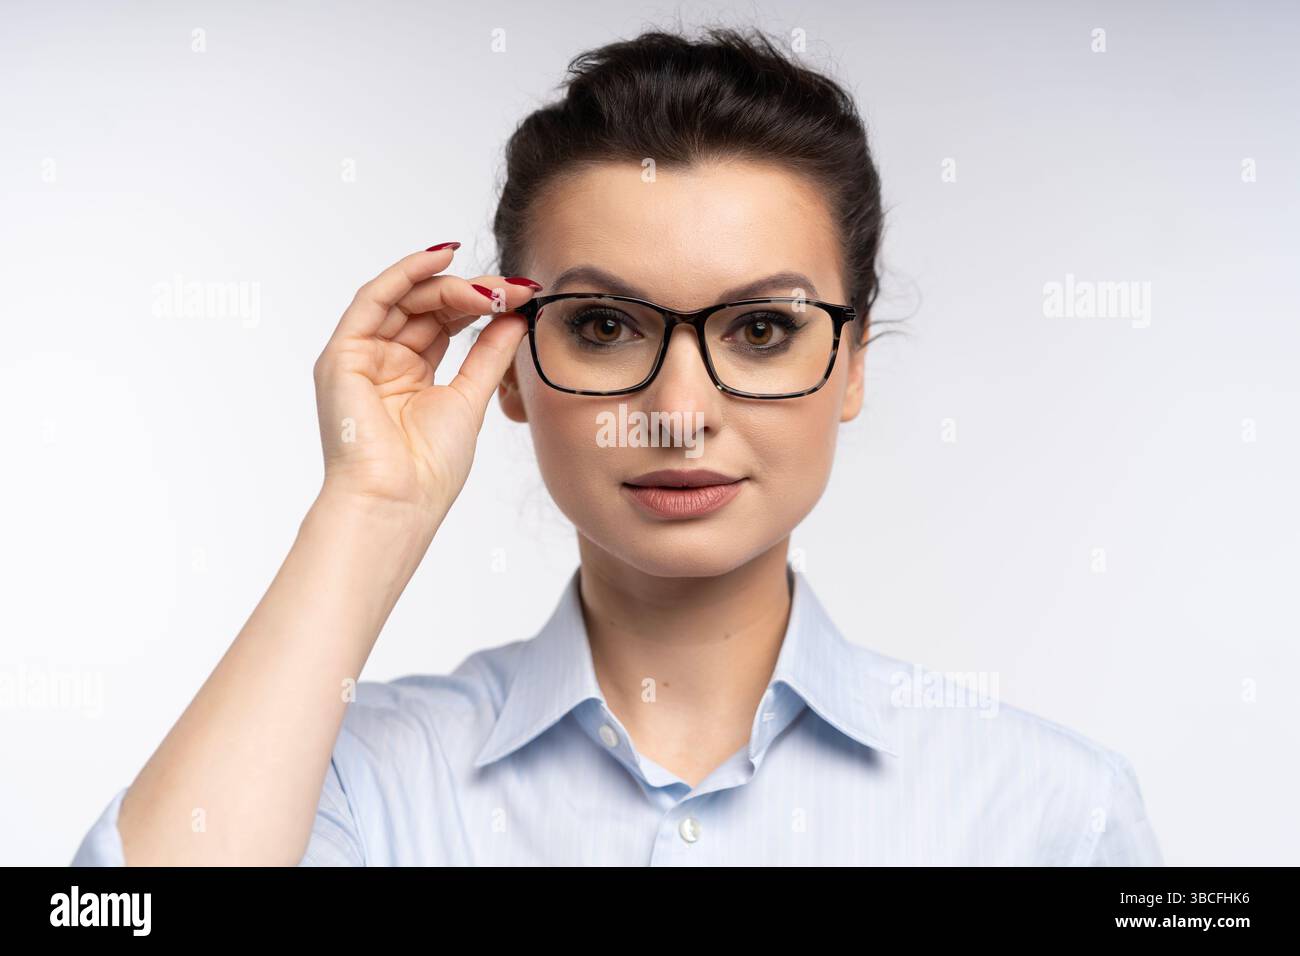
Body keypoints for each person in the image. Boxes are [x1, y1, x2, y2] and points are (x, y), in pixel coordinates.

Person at [71, 26, 1162, 866]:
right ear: (509, 362)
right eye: (604, 326)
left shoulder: (1051, 811)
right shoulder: (352, 778)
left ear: (853, 363)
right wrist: (371, 507)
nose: (677, 412)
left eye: (762, 328)